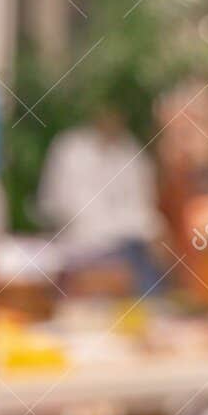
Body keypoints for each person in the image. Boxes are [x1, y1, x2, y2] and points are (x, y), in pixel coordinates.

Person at [37, 106, 166, 295]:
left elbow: (143, 213)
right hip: (79, 250)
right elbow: (54, 207)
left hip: (127, 250)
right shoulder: (70, 149)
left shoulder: (133, 154)